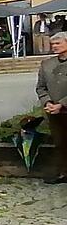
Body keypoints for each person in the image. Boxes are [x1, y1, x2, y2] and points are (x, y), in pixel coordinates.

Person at [37, 32, 67, 183]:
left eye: (58, 43)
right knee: (60, 143)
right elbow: (41, 87)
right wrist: (47, 102)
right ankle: (63, 172)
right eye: (52, 44)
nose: (54, 46)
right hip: (54, 112)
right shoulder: (46, 64)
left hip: (63, 107)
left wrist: (62, 104)